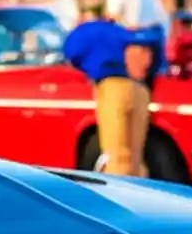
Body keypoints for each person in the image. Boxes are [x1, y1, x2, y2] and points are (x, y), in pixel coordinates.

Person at [63, 19, 165, 178]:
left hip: (111, 86)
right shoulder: (127, 33)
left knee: (116, 152)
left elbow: (73, 52)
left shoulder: (86, 31)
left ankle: (118, 193)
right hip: (141, 89)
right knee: (136, 154)